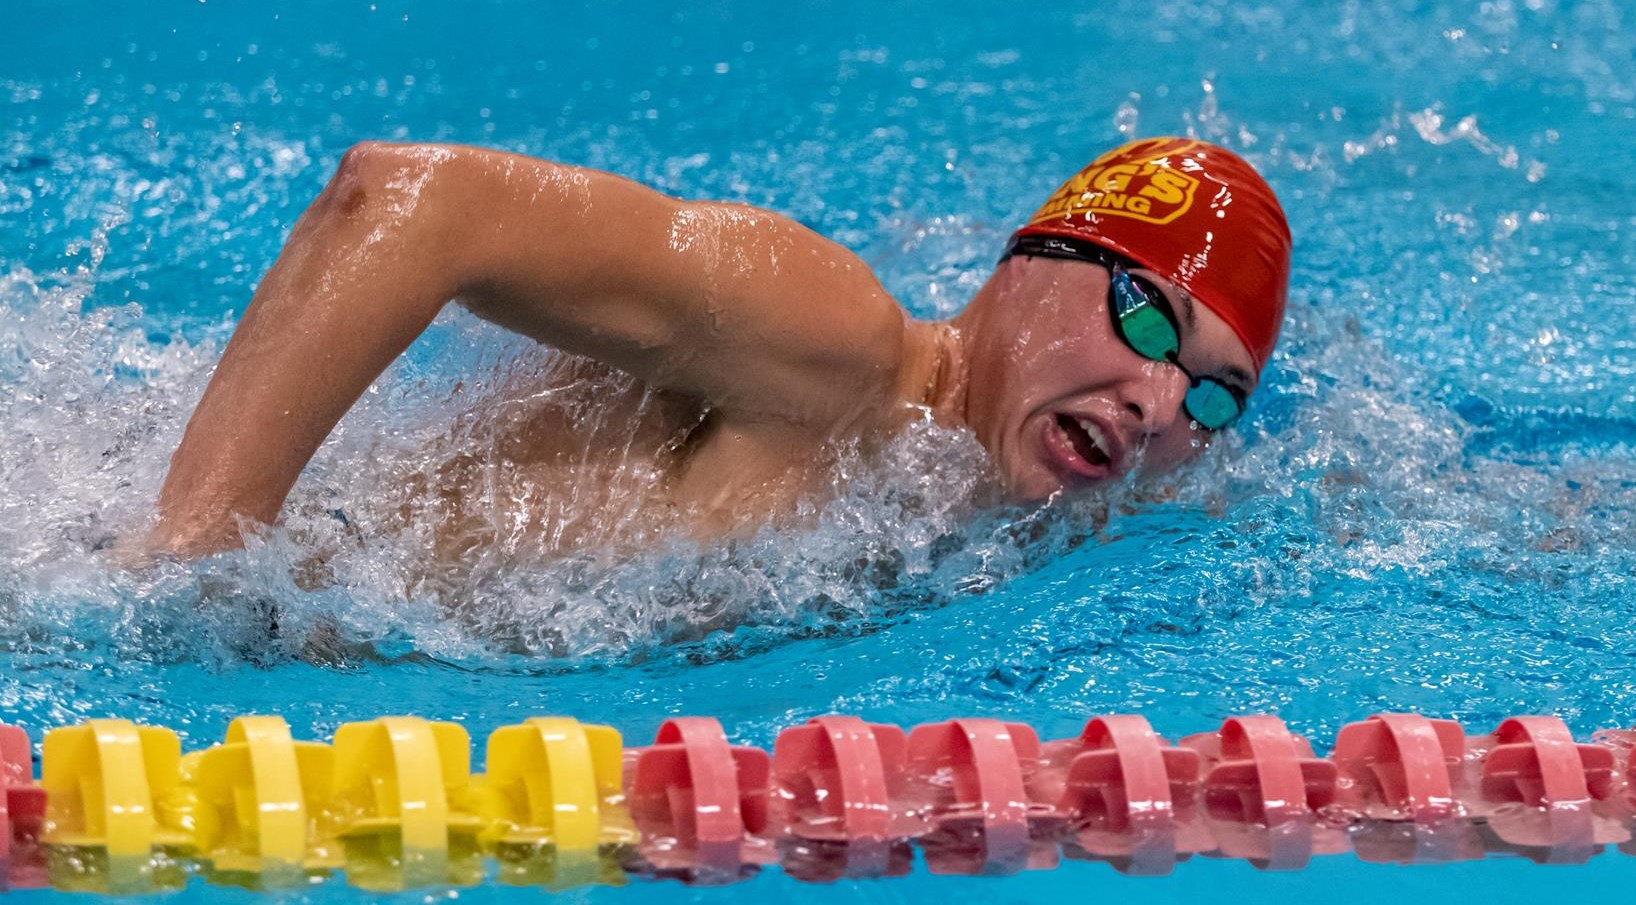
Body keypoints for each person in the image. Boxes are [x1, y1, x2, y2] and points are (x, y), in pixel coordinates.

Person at [142, 136, 1291, 558]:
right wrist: (195, 557)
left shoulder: (976, 507)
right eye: (1147, 316)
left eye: (1213, 396)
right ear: (1027, 267)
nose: (1157, 401)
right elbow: (415, 201)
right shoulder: (830, 342)